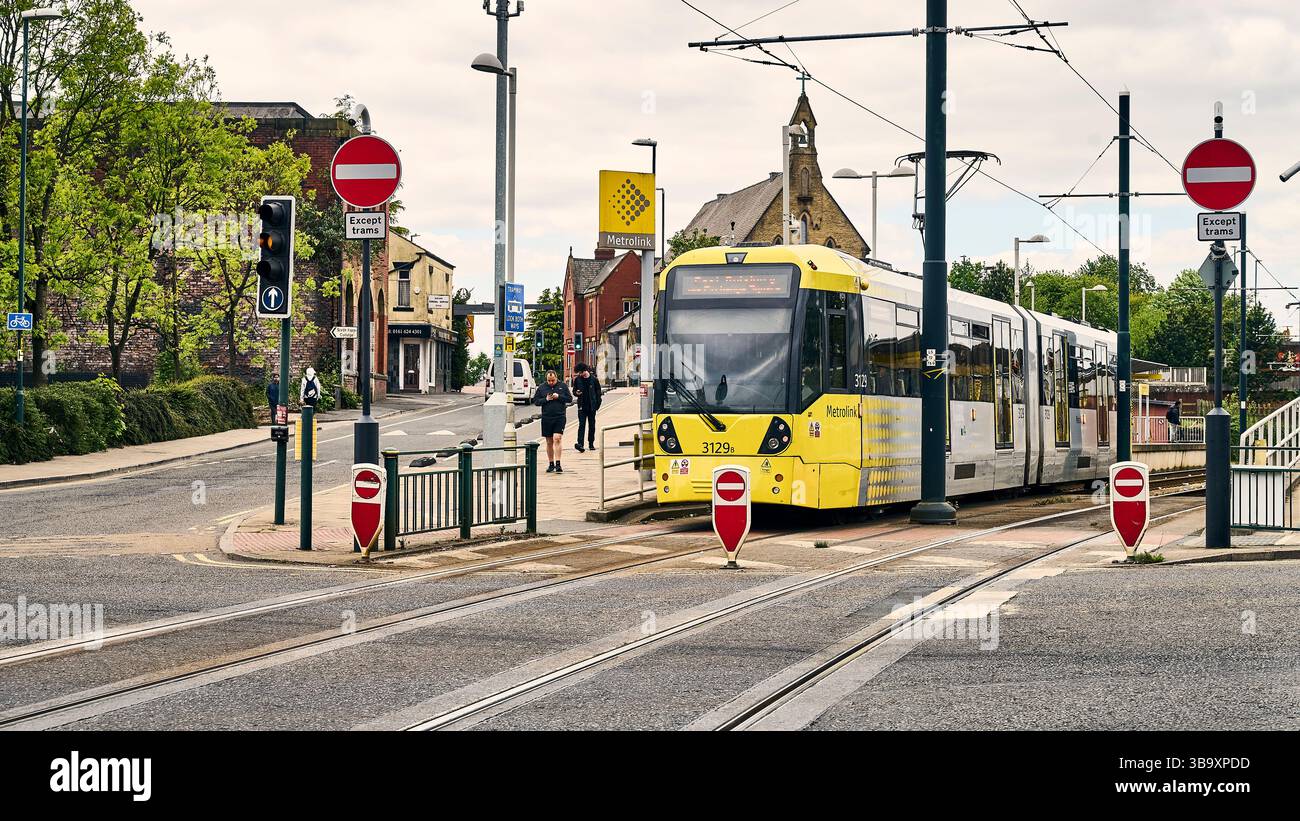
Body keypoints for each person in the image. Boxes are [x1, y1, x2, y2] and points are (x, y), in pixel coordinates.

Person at [533, 370, 572, 473]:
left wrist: (558, 397)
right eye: (549, 380)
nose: (550, 382)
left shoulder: (562, 386)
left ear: (556, 378)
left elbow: (569, 399)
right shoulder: (542, 387)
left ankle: (558, 464)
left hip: (560, 416)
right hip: (546, 417)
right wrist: (546, 399)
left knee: (557, 438)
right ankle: (551, 464)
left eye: (553, 380)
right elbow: (536, 401)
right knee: (549, 441)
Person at [572, 362, 602, 453]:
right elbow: (574, 391)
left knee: (592, 426)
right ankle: (580, 444)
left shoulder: (594, 380)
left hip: (592, 407)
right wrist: (576, 393)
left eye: (581, 373)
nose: (580, 375)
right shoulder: (577, 380)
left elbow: (598, 393)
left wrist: (597, 405)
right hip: (581, 406)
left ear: (585, 370)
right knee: (581, 425)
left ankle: (591, 443)